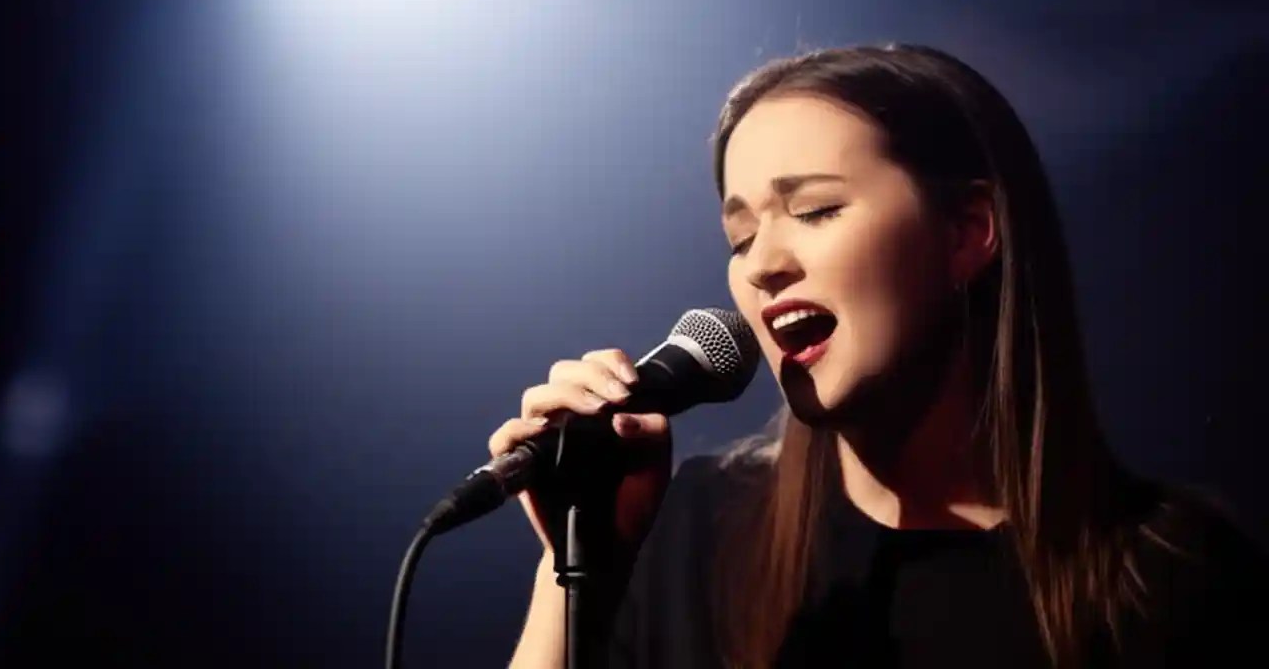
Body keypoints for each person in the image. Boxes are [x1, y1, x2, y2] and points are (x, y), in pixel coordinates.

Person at [488, 44, 1268, 668]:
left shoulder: (1171, 576)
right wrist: (575, 571)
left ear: (968, 232)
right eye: (741, 235)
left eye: (816, 209)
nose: (762, 266)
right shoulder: (695, 527)